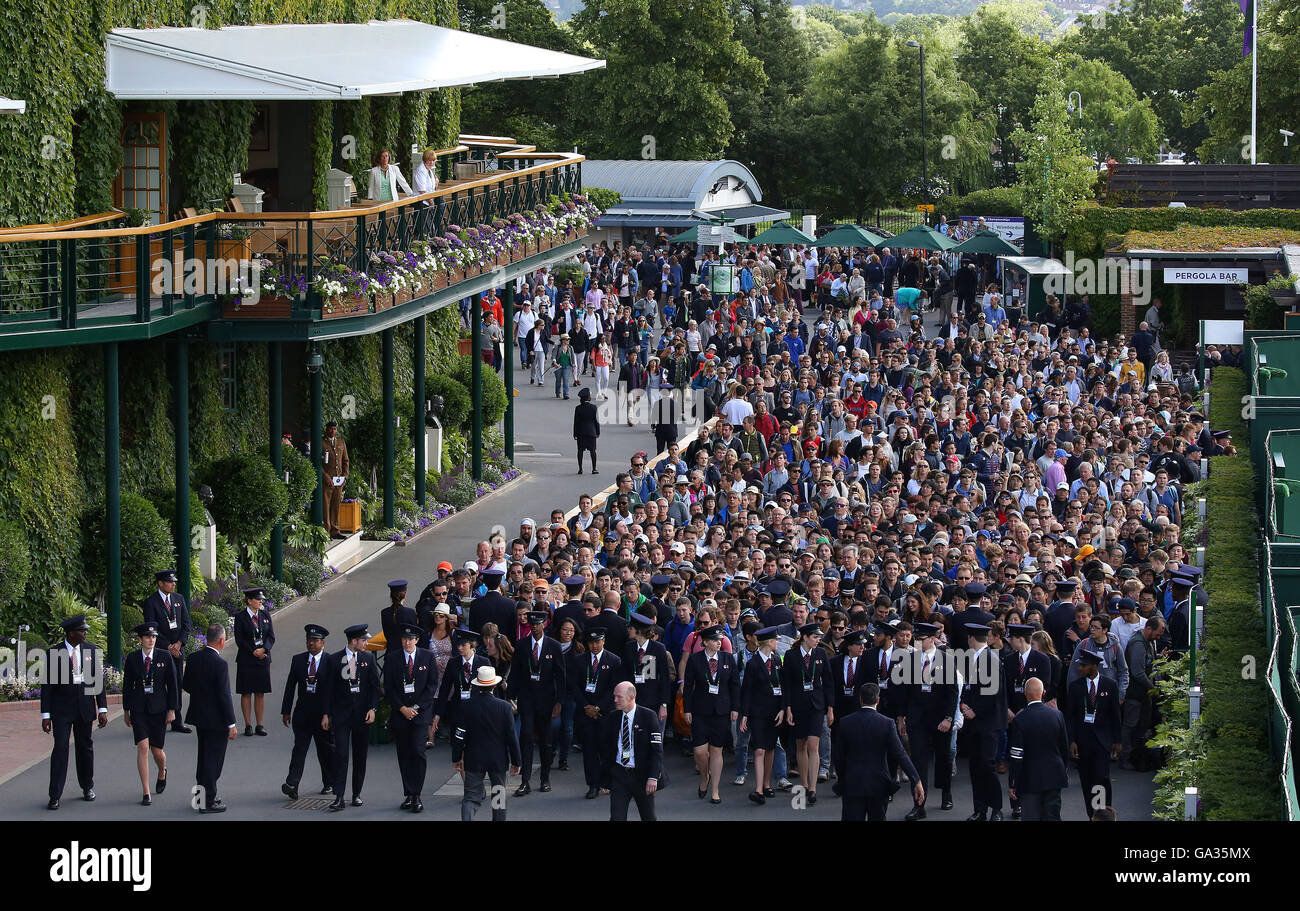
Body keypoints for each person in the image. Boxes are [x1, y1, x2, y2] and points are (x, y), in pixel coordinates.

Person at [41, 614, 108, 809]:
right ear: (71, 633)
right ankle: (55, 795)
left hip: (84, 708)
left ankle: (87, 786)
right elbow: (47, 687)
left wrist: (102, 708)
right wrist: (46, 715)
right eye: (82, 630)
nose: (86, 632)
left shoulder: (91, 650)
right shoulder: (55, 653)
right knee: (60, 749)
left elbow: (98, 682)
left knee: (85, 747)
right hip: (61, 711)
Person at [833, 682, 924, 821]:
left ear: (860, 699)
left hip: (853, 784)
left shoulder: (845, 722)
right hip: (878, 785)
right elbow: (900, 754)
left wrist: (843, 778)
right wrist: (916, 780)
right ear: (878, 700)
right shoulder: (887, 723)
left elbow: (838, 757)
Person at [898, 621, 959, 819]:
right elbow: (904, 692)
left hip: (941, 717)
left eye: (921, 639)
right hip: (918, 719)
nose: (917, 642)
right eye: (917, 639)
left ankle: (946, 792)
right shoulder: (910, 660)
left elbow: (952, 693)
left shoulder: (946, 659)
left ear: (932, 639)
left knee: (943, 757)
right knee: (918, 761)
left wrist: (949, 718)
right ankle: (919, 804)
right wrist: (902, 718)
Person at [182, 622, 239, 814]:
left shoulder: (193, 658)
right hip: (217, 719)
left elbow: (187, 685)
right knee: (213, 762)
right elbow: (224, 695)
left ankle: (200, 798)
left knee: (203, 758)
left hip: (199, 715)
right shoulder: (220, 664)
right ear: (222, 640)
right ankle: (209, 800)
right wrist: (231, 723)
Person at [508, 609, 567, 796]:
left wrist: (559, 701)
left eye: (538, 624)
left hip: (546, 699)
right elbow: (516, 672)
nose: (534, 627)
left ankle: (545, 778)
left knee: (546, 740)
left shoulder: (553, 646)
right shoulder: (522, 645)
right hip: (526, 698)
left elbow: (561, 676)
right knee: (525, 737)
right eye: (532, 624)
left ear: (544, 625)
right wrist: (511, 696)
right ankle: (525, 781)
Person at [452, 666, 522, 822]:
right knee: (498, 795)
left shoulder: (466, 706)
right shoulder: (504, 707)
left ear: (477, 685)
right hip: (497, 759)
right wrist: (516, 762)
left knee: (470, 797)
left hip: (474, 758)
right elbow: (512, 737)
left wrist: (457, 758)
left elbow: (459, 735)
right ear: (494, 685)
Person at [122, 622, 180, 806]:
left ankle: (162, 771)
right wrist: (126, 710)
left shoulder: (164, 656)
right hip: (139, 708)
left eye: (153, 637)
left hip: (158, 708)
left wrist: (172, 710)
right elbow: (127, 686)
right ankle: (146, 792)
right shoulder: (132, 659)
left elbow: (173, 684)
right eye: (147, 637)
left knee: (157, 751)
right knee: (143, 747)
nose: (151, 640)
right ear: (140, 639)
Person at [324, 624, 381, 811]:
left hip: (361, 715)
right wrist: (326, 713)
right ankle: (339, 796)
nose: (366, 643)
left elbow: (375, 687)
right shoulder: (334, 660)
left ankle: (356, 793)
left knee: (360, 755)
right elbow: (328, 690)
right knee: (341, 754)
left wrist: (373, 708)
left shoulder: (368, 659)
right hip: (341, 715)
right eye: (363, 640)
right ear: (354, 641)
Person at [683, 625, 741, 804]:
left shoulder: (728, 658)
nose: (719, 643)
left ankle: (715, 789)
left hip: (721, 711)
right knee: (700, 752)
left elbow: (734, 685)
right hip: (700, 711)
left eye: (720, 640)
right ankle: (704, 777)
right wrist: (687, 709)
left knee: (717, 750)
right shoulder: (695, 659)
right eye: (715, 640)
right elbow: (688, 687)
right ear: (705, 642)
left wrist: (735, 708)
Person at [385, 623, 439, 812]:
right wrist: (401, 708)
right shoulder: (392, 659)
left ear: (417, 640)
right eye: (404, 639)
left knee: (418, 751)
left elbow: (432, 686)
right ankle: (408, 793)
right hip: (401, 714)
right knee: (404, 754)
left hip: (419, 714)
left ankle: (416, 794)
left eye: (411, 639)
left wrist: (415, 708)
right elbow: (389, 688)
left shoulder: (427, 656)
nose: (407, 642)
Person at [279, 624, 336, 801]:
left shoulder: (330, 662)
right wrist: (286, 711)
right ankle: (292, 784)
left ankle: (329, 782)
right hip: (303, 714)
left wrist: (328, 714)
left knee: (324, 750)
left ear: (323, 643)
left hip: (322, 716)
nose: (311, 643)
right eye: (309, 640)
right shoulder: (298, 660)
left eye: (315, 640)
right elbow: (290, 687)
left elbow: (332, 691)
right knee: (299, 749)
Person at [959, 621, 1008, 821]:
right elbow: (967, 686)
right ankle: (979, 809)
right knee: (975, 767)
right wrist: (963, 704)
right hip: (975, 722)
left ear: (971, 638)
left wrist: (974, 711)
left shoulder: (990, 659)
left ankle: (996, 809)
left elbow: (992, 692)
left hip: (988, 723)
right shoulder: (972, 659)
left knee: (987, 766)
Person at [781, 621, 834, 804]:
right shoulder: (791, 655)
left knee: (813, 745)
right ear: (805, 637)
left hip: (816, 706)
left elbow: (828, 681)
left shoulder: (820, 653)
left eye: (819, 636)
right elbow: (786, 684)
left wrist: (830, 708)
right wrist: (787, 707)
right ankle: (803, 784)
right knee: (801, 745)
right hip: (797, 706)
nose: (818, 640)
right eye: (815, 637)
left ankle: (812, 788)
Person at [1067, 646, 1122, 818]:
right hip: (1083, 742)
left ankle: (1104, 815)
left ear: (1093, 666)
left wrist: (1117, 740)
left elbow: (1115, 714)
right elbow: (1070, 716)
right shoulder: (1075, 687)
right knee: (1087, 781)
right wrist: (1072, 740)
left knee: (1102, 778)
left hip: (1102, 741)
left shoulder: (1110, 685)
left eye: (1083, 665)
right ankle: (1093, 815)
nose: (1080, 668)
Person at [1006, 677, 1070, 821]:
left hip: (1029, 779)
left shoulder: (1020, 720)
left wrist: (1013, 782)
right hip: (1054, 776)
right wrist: (1063, 770)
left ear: (1025, 694)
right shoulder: (1057, 715)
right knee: (1052, 817)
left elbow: (1016, 756)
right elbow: (1064, 748)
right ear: (1043, 693)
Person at [571, 628, 622, 799]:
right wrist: (586, 706)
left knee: (607, 748)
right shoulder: (579, 660)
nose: (594, 645)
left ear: (603, 641)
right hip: (585, 712)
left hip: (605, 713)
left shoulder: (614, 661)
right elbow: (574, 687)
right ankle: (593, 784)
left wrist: (598, 708)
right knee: (589, 750)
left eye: (597, 642)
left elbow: (613, 688)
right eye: (591, 642)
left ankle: (607, 782)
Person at [602, 681, 663, 821]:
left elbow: (657, 751)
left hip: (642, 776)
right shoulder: (613, 717)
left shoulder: (649, 716)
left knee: (648, 817)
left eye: (619, 697)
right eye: (614, 696)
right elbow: (607, 749)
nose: (615, 700)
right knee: (616, 818)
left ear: (631, 697)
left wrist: (653, 777)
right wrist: (605, 780)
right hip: (620, 774)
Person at [740, 625, 787, 804]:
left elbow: (782, 688)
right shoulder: (753, 663)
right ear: (768, 642)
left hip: (774, 712)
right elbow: (747, 691)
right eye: (775, 640)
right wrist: (745, 714)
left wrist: (783, 709)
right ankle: (758, 789)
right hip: (758, 713)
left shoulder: (776, 660)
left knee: (770, 748)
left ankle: (767, 784)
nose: (777, 643)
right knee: (759, 749)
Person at [141, 568, 192, 733]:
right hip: (161, 650)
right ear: (160, 583)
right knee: (160, 684)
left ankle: (177, 720)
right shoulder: (151, 602)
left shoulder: (179, 599)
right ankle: (159, 719)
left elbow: (186, 623)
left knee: (176, 683)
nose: (173, 585)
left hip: (177, 650)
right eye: (169, 582)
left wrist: (179, 643)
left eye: (173, 582)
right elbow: (151, 628)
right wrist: (167, 646)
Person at [432, 628, 492, 748]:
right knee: (458, 743)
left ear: (472, 645)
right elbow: (444, 689)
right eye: (458, 645)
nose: (459, 648)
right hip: (458, 709)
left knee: (476, 744)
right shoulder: (453, 663)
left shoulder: (483, 662)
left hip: (477, 709)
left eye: (463, 645)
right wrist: (438, 714)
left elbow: (490, 688)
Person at [233, 587, 275, 736]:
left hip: (262, 658)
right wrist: (253, 651)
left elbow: (271, 636)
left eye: (261, 599)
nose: (260, 601)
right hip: (247, 659)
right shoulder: (241, 617)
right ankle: (248, 724)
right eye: (258, 599)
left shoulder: (265, 615)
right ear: (249, 601)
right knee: (246, 692)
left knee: (260, 692)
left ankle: (259, 724)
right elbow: (239, 639)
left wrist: (264, 650)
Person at [322, 420, 350, 538]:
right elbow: (317, 463)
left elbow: (345, 461)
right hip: (327, 480)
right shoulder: (321, 442)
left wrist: (345, 476)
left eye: (334, 429)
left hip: (338, 480)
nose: (332, 431)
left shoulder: (341, 442)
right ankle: (326, 531)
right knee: (326, 505)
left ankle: (335, 530)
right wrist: (326, 477)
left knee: (336, 505)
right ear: (326, 429)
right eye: (330, 429)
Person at [574, 386, 600, 474]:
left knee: (580, 451)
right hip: (591, 432)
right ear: (588, 397)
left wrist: (575, 433)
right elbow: (596, 421)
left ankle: (580, 468)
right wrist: (598, 432)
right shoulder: (594, 407)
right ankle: (594, 468)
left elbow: (576, 422)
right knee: (593, 451)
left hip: (581, 433)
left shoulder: (578, 408)